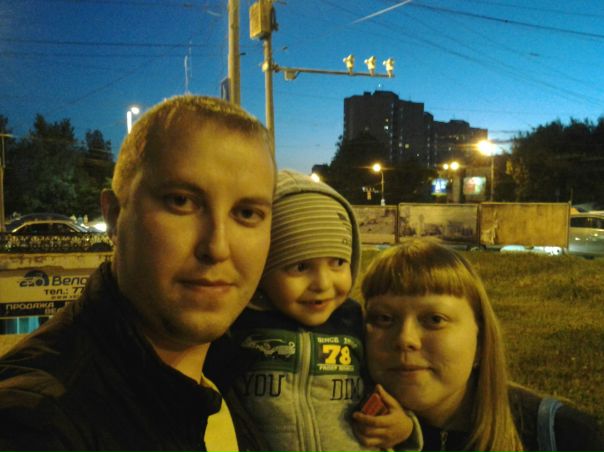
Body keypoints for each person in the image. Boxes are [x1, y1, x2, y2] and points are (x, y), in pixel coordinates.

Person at [0, 95, 276, 451]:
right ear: (115, 215)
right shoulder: (37, 420)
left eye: (247, 213)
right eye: (181, 201)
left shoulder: (234, 372)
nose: (218, 247)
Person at [205, 169, 417, 452]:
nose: (323, 284)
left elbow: (393, 387)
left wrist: (405, 428)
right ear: (261, 269)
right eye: (301, 266)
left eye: (338, 262)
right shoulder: (237, 325)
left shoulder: (355, 322)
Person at [360, 238, 604, 452]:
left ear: (481, 339)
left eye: (435, 319)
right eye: (384, 318)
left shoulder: (565, 437)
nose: (405, 339)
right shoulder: (345, 432)